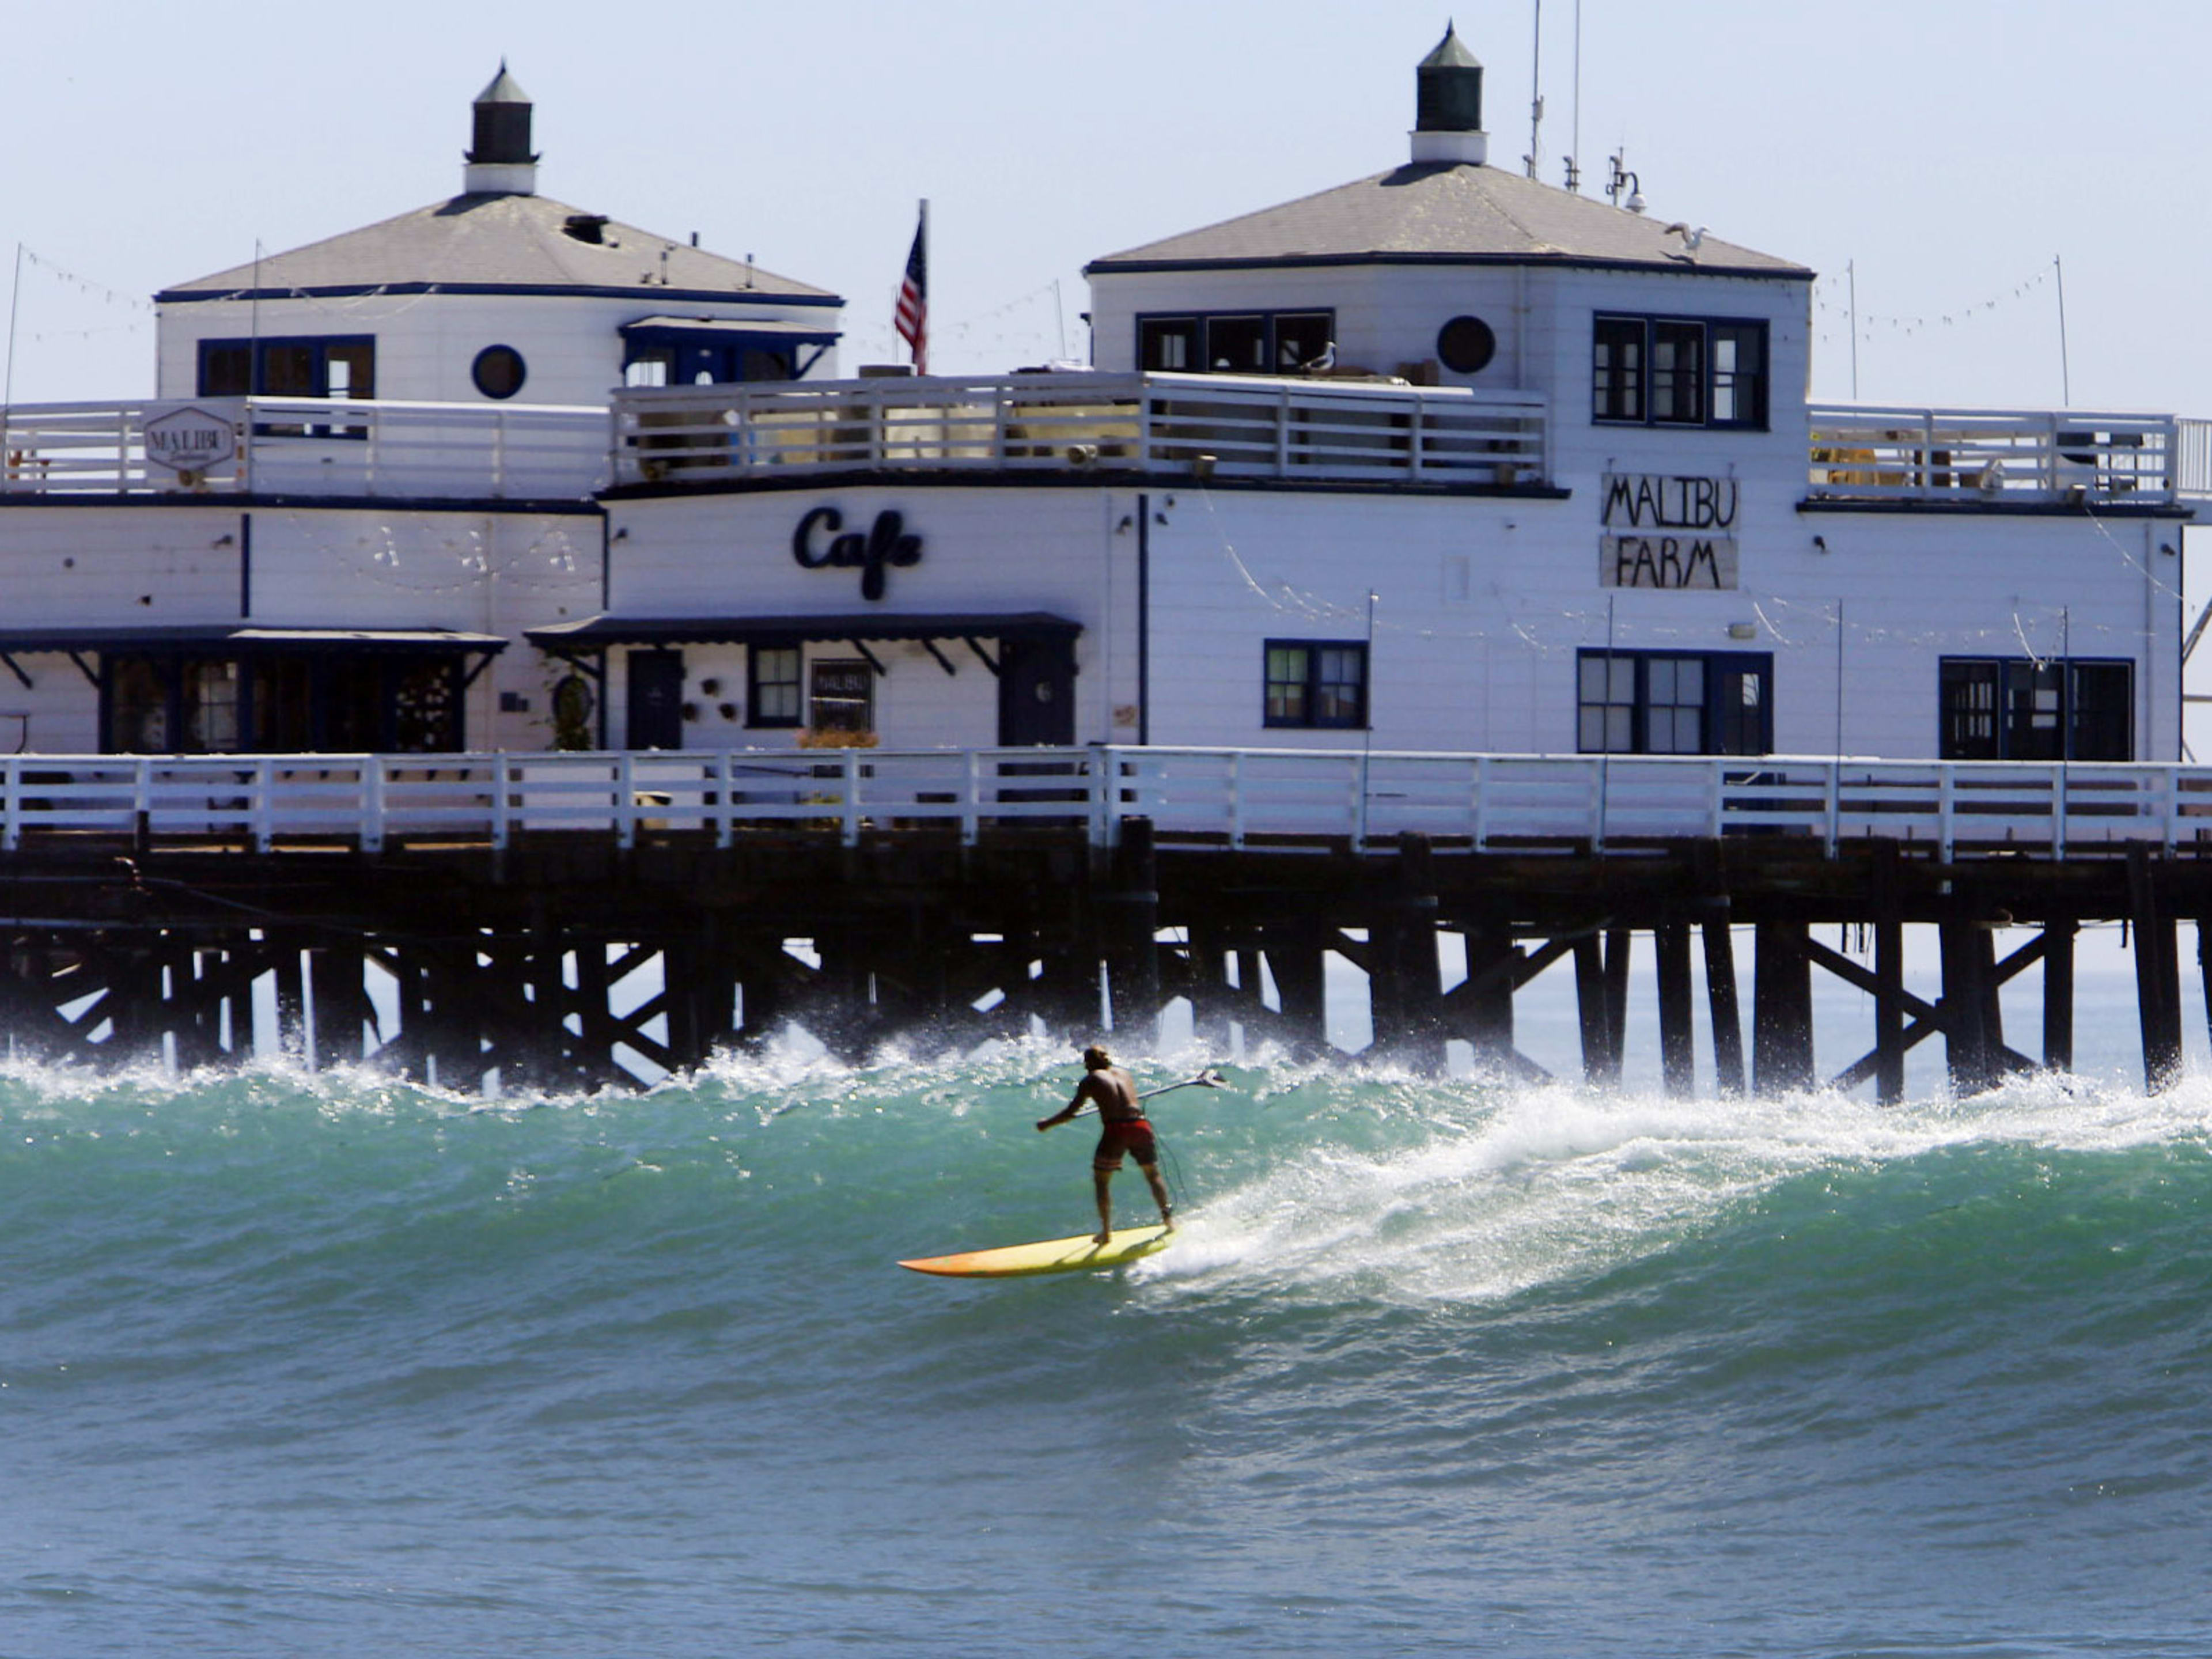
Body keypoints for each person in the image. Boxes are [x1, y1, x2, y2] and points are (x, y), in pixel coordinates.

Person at [1036, 1044, 1175, 1244]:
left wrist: (1046, 1124)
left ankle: (1106, 1233)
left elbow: (1070, 1113)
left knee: (1102, 1181)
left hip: (1116, 1130)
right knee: (1153, 1175)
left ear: (1089, 1064)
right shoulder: (1125, 1074)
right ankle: (1169, 1221)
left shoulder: (1090, 1080)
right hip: (1141, 1126)